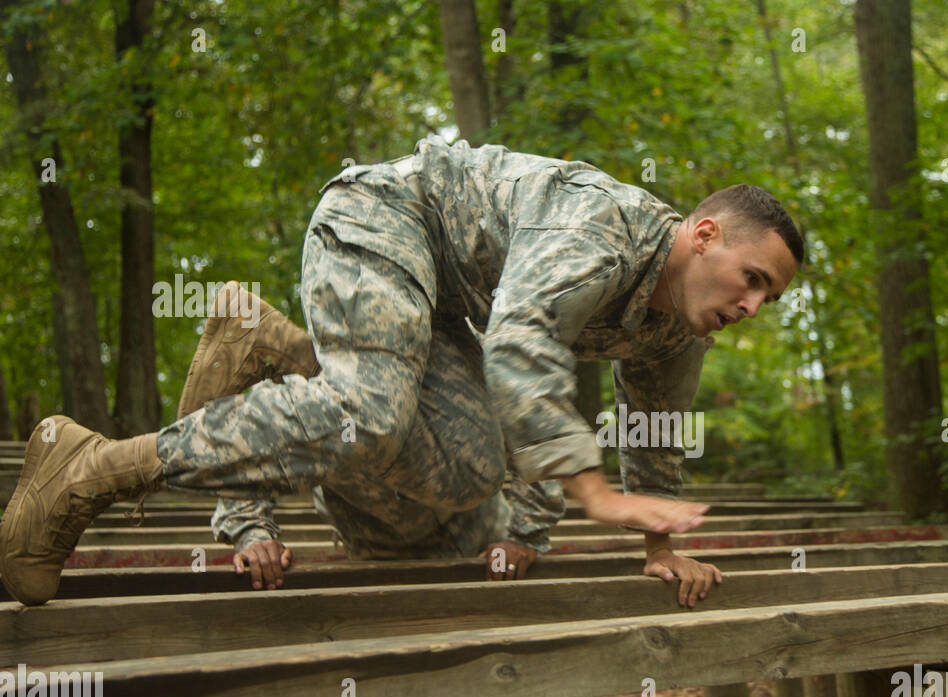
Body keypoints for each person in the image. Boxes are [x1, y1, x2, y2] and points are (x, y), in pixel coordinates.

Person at [0, 133, 803, 623]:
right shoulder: (604, 227)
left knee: (467, 468)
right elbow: (521, 339)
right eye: (754, 277)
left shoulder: (684, 323)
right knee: (375, 414)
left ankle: (269, 344)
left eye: (770, 294)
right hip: (386, 219)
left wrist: (659, 545)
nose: (754, 305)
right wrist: (592, 492)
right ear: (703, 235)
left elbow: (654, 432)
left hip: (445, 307)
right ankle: (90, 467)